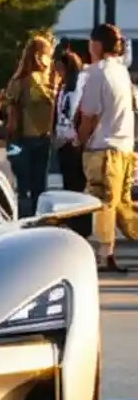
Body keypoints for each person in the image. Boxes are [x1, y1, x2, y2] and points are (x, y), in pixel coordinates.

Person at [76, 23, 138, 273]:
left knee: (102, 203)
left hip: (103, 149)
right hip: (124, 147)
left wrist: (78, 140)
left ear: (97, 45)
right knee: (122, 204)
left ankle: (105, 255)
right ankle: (108, 251)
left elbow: (89, 115)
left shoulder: (96, 73)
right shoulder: (122, 71)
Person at [3, 35, 57, 217]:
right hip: (40, 138)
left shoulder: (17, 80)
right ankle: (38, 222)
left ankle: (25, 223)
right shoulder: (43, 81)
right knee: (39, 188)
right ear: (40, 56)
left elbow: (7, 109)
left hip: (18, 139)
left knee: (23, 187)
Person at [52, 49, 90, 239]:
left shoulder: (81, 83)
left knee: (78, 185)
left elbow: (81, 110)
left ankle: (82, 227)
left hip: (76, 141)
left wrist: (78, 136)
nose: (56, 69)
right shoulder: (63, 85)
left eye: (59, 65)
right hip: (63, 141)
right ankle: (73, 224)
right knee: (68, 185)